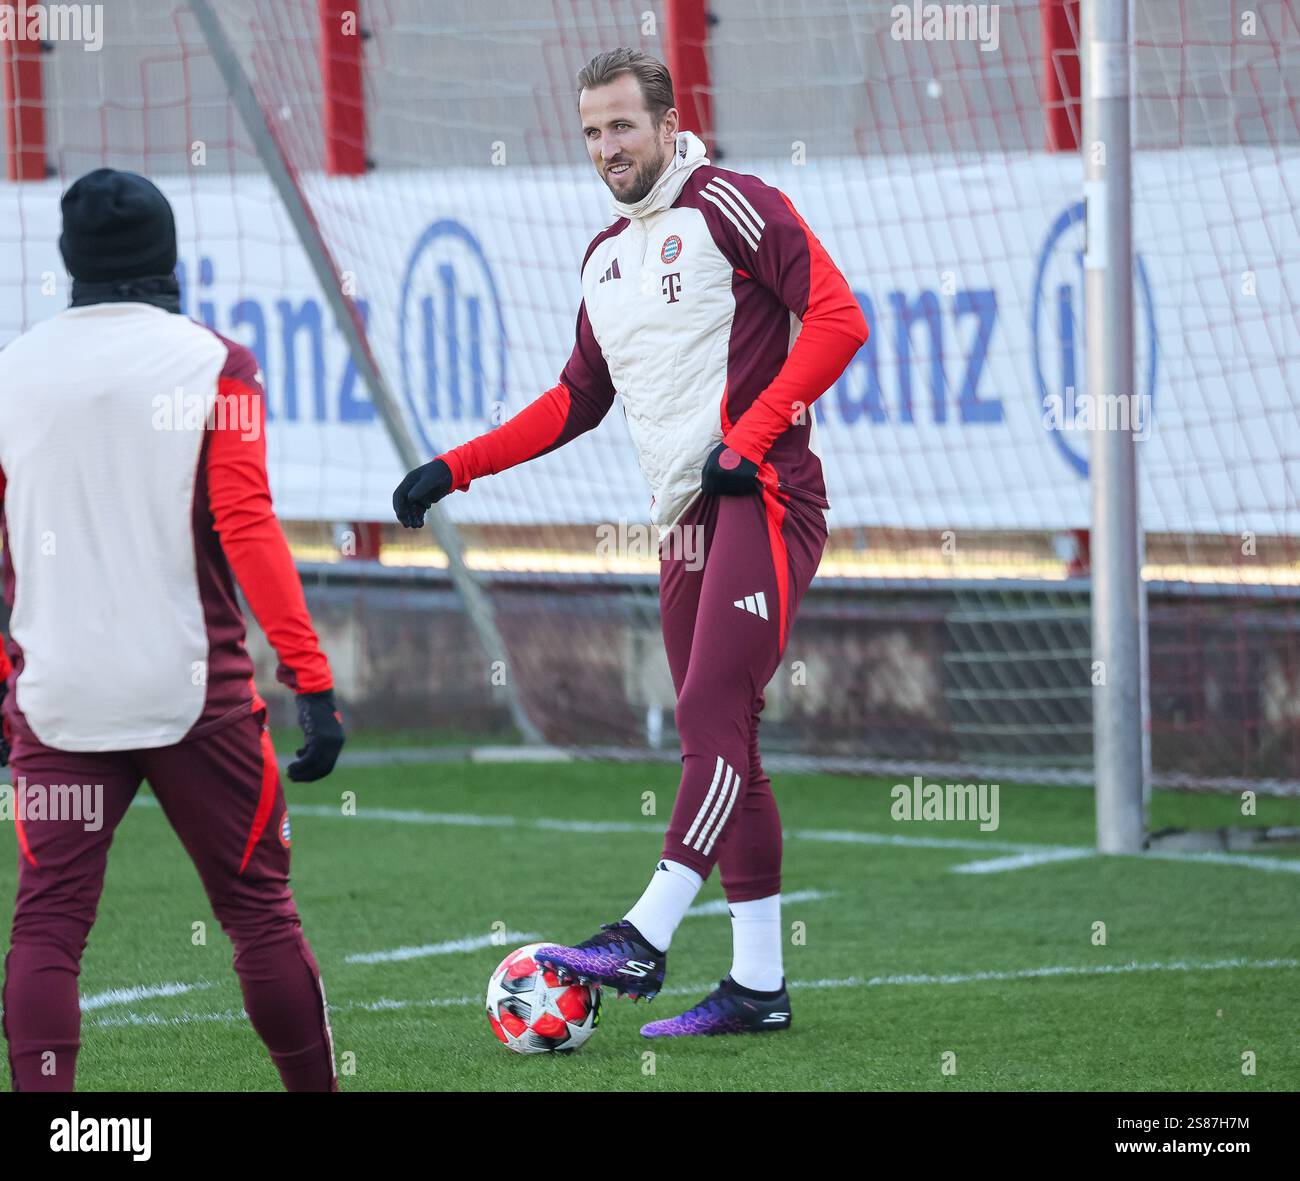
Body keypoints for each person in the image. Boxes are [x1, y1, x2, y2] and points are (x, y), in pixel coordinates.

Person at [393, 49, 867, 1038]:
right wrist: (455, 467)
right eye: (592, 133)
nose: (608, 147)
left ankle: (642, 936)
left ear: (666, 121)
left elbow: (838, 318)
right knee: (730, 742)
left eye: (622, 126)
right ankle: (758, 985)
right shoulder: (602, 257)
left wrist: (750, 435)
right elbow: (577, 398)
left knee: (705, 705)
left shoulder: (731, 203)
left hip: (766, 495)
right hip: (684, 524)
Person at [0, 168, 345, 1090]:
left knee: (47, 924)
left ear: (70, 261)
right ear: (167, 253)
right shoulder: (217, 362)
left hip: (58, 697)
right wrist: (310, 678)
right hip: (193, 694)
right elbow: (246, 523)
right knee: (259, 914)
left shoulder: (11, 370)